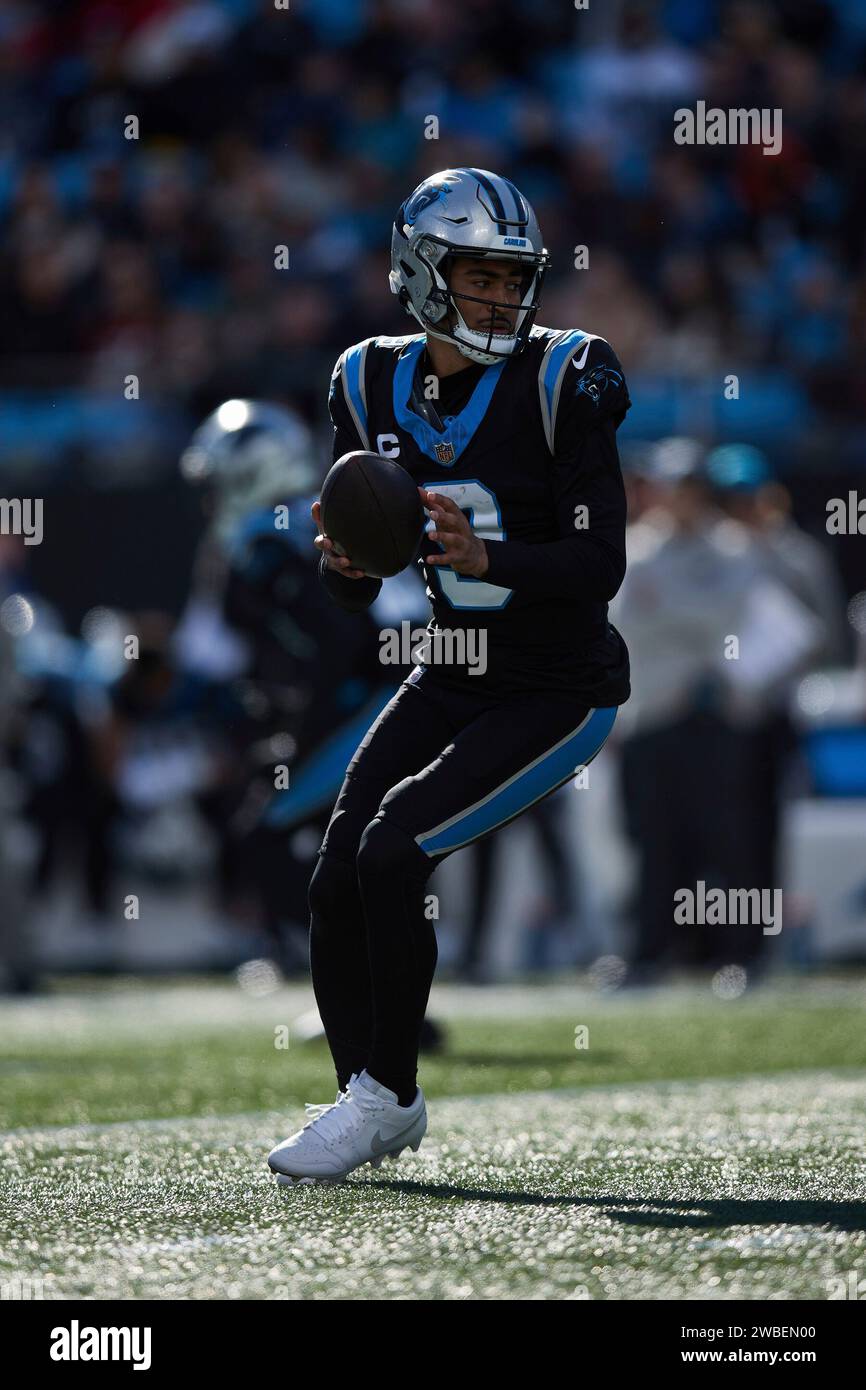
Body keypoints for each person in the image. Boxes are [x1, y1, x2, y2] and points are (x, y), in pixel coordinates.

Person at [267, 168, 632, 1184]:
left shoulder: (566, 376)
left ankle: (386, 1094)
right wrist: (344, 563)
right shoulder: (364, 381)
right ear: (422, 273)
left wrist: (486, 559)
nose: (499, 300)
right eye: (477, 277)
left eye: (512, 280)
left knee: (392, 850)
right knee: (337, 865)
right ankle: (367, 1098)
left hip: (560, 685)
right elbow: (350, 591)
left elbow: (597, 566)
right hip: (452, 665)